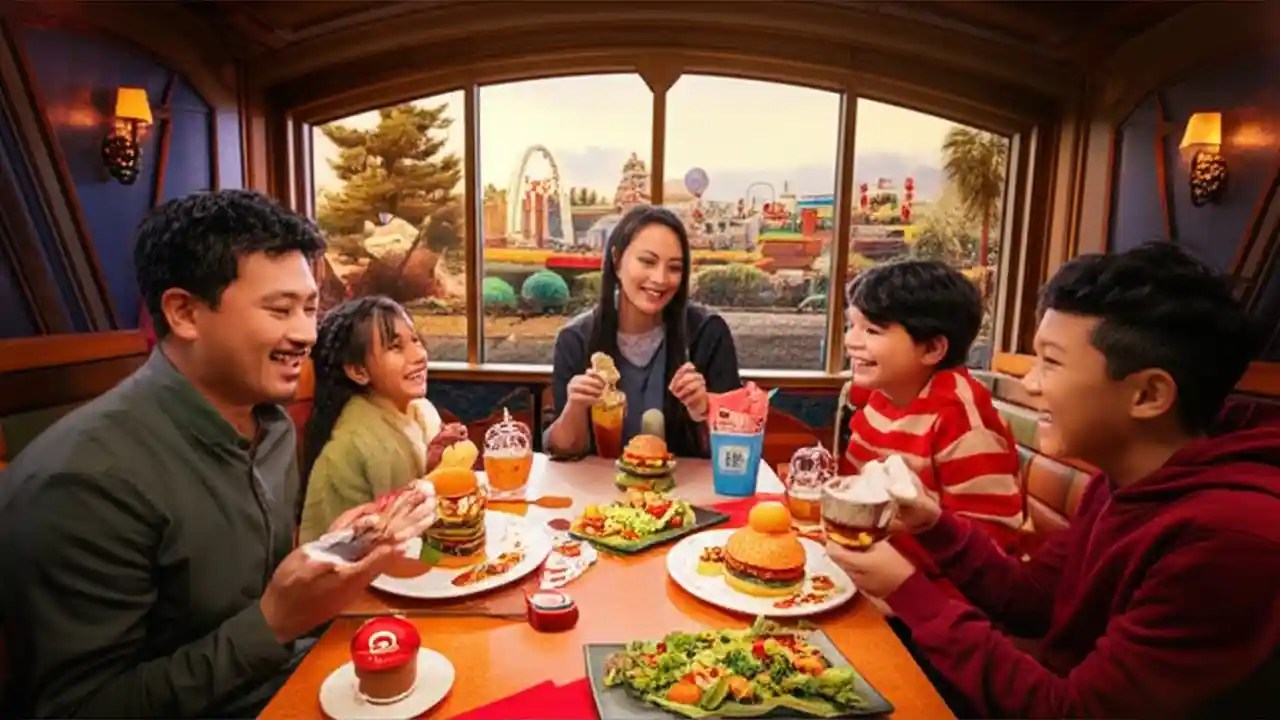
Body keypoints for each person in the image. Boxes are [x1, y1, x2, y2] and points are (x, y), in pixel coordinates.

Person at [0, 190, 435, 718]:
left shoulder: (270, 429)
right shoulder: (82, 482)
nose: (305, 333)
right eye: (280, 310)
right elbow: (80, 708)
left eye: (309, 308)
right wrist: (274, 622)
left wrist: (340, 547)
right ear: (184, 313)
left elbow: (254, 592)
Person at [829, 242, 1280, 718]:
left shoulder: (1228, 541)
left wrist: (906, 590)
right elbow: (1034, 602)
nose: (1030, 384)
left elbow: (1071, 712)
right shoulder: (1123, 483)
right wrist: (932, 523)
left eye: (1052, 362)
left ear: (1147, 394)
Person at [842, 260, 1023, 579]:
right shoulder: (881, 396)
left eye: (871, 330)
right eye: (851, 325)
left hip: (937, 597)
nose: (851, 341)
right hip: (873, 569)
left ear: (933, 348)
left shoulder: (961, 421)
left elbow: (991, 545)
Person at [545, 205, 741, 458]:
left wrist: (705, 409)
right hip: (599, 494)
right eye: (647, 262)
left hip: (687, 493)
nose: (660, 279)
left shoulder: (706, 334)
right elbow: (563, 452)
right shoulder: (576, 339)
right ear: (616, 261)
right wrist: (575, 407)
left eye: (674, 268)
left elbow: (737, 447)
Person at [299, 295, 467, 543]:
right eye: (396, 347)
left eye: (415, 340)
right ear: (359, 371)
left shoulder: (422, 411)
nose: (419, 355)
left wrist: (437, 466)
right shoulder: (349, 447)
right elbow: (333, 551)